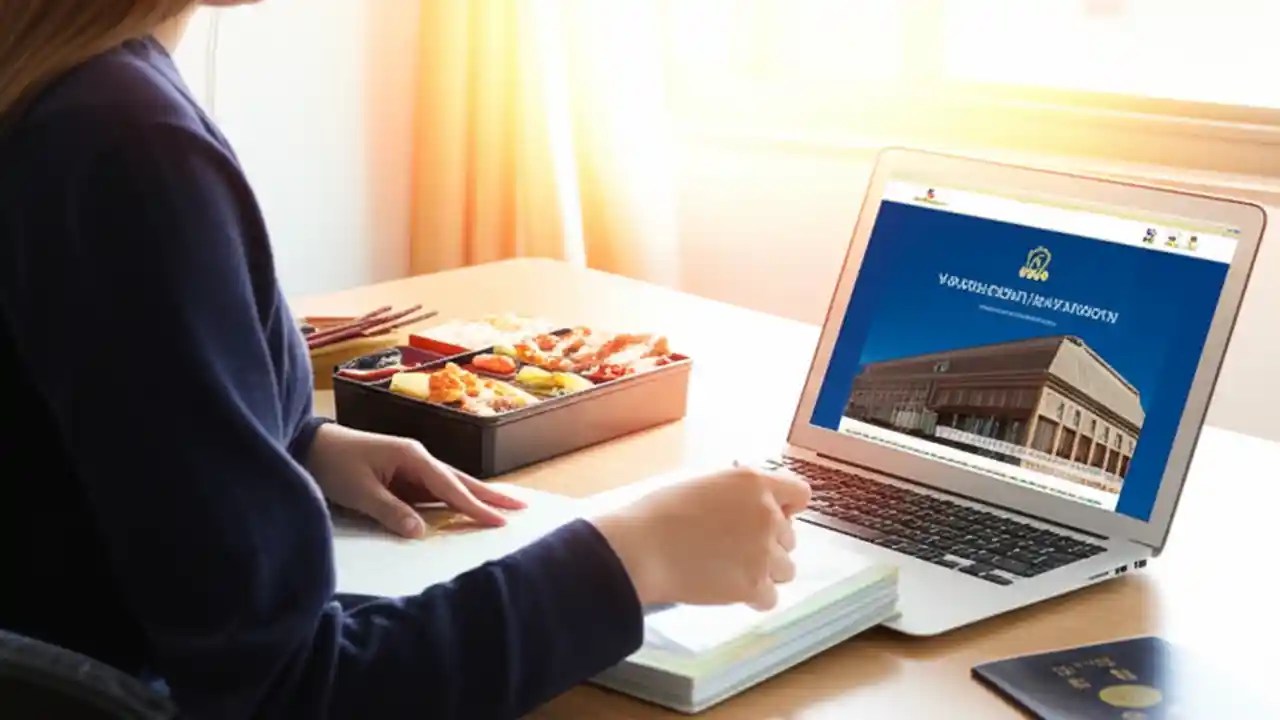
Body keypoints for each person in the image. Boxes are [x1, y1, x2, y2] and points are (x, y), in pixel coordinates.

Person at [0, 2, 810, 718]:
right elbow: (290, 694)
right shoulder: (124, 150)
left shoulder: (60, 91)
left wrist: (289, 444)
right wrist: (634, 559)